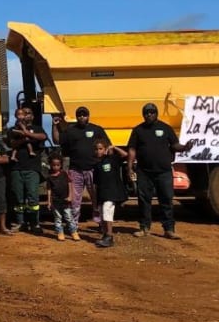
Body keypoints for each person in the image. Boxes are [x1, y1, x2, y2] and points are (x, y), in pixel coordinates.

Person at [126, 103, 194, 240]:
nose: (149, 115)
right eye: (146, 112)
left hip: (164, 172)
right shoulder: (138, 130)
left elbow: (175, 145)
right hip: (144, 171)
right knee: (144, 200)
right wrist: (129, 166)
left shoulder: (165, 128)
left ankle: (169, 229)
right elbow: (132, 149)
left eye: (151, 112)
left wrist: (185, 147)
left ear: (156, 113)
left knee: (166, 199)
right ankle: (144, 227)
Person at [57, 106, 110, 228]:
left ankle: (101, 223)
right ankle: (73, 225)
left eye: (84, 115)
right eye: (79, 115)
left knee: (97, 198)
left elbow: (107, 146)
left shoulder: (97, 129)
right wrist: (55, 126)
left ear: (88, 116)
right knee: (75, 200)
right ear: (76, 117)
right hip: (76, 170)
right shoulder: (70, 131)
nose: (82, 117)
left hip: (93, 169)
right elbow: (58, 141)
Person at [8, 105, 46, 233]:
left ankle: (34, 223)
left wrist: (27, 134)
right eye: (23, 113)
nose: (26, 115)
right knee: (18, 198)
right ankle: (20, 223)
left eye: (28, 113)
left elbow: (43, 137)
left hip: (32, 168)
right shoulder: (13, 129)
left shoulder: (37, 129)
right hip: (16, 168)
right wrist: (25, 137)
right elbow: (11, 143)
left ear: (32, 116)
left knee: (33, 198)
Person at [91, 138, 128, 248]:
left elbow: (125, 155)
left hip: (112, 193)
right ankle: (105, 234)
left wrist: (114, 147)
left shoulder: (112, 160)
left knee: (108, 212)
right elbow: (96, 183)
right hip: (102, 194)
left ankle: (109, 236)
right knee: (103, 214)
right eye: (96, 149)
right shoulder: (96, 165)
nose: (98, 151)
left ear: (105, 149)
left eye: (101, 149)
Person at [46, 154, 78, 241]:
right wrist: (49, 202)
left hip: (65, 200)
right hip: (55, 201)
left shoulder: (64, 174)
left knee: (69, 217)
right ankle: (60, 233)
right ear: (50, 165)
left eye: (58, 165)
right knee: (58, 218)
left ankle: (73, 232)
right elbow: (49, 190)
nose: (56, 167)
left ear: (61, 165)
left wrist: (70, 196)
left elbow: (70, 184)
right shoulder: (49, 177)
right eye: (53, 165)